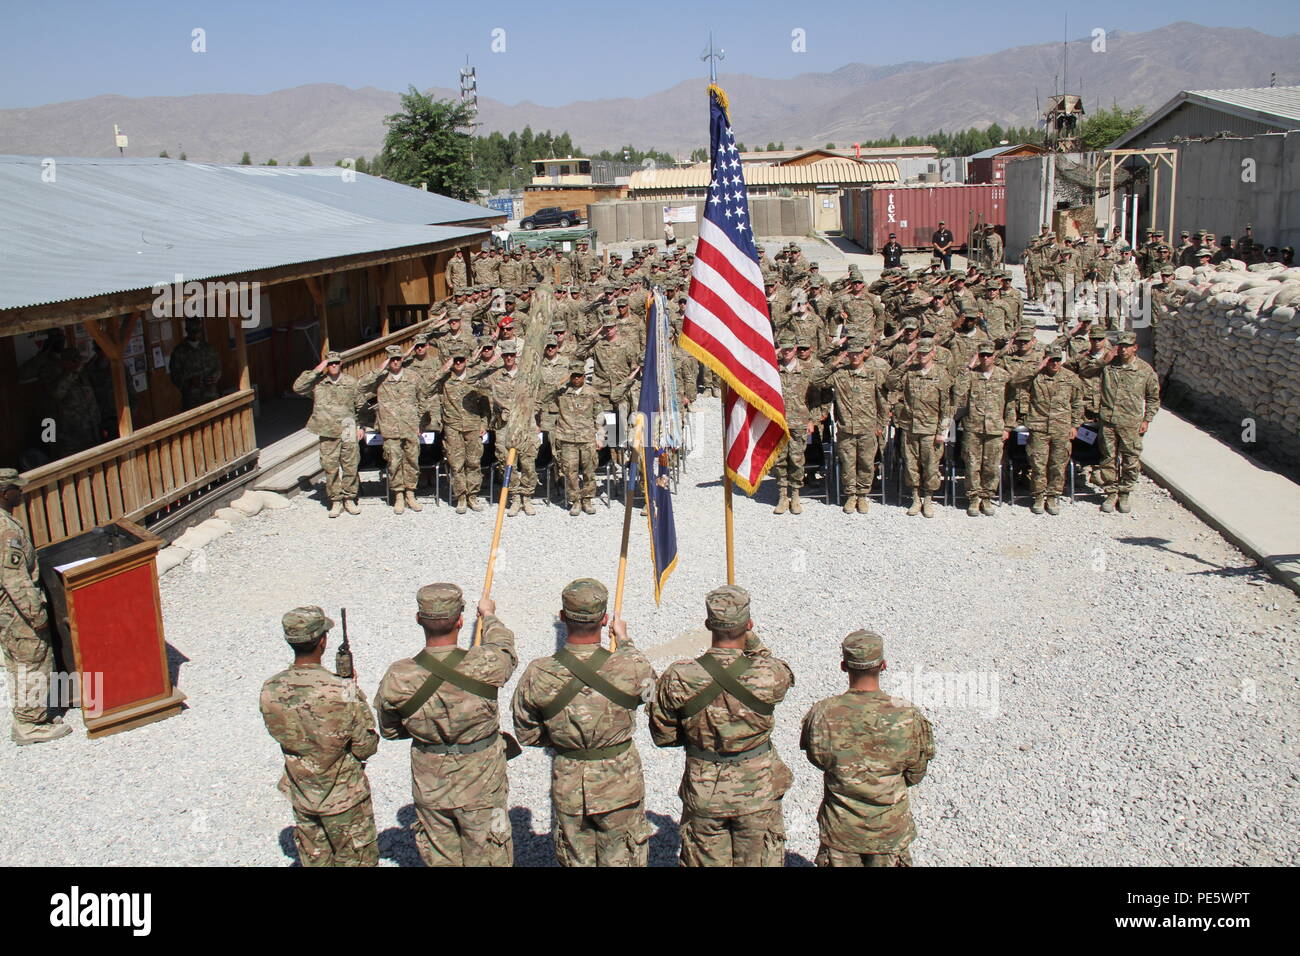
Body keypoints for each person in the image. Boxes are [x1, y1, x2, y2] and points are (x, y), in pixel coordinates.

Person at [512, 579, 656, 866]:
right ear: (604, 620)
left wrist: (563, 739)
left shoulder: (538, 673)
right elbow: (655, 698)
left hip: (569, 781)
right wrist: (626, 642)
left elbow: (526, 732)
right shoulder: (632, 666)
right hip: (620, 784)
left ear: (563, 617)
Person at [649, 585, 794, 867]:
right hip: (758, 790)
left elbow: (663, 736)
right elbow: (777, 667)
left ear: (708, 625)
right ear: (749, 624)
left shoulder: (679, 676)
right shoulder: (770, 673)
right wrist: (752, 641)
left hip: (704, 791)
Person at [375, 585, 518, 867]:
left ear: (419, 619)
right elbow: (505, 649)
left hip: (430, 782)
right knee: (490, 852)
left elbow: (390, 729)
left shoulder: (399, 674)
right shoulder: (485, 662)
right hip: (482, 780)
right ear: (460, 620)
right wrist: (489, 616)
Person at [800, 630, 934, 867]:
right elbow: (915, 773)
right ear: (883, 665)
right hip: (889, 832)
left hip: (841, 831)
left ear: (844, 666)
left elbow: (817, 758)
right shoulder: (906, 714)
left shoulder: (823, 712)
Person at [259, 606, 379, 866]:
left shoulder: (271, 688)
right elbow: (366, 745)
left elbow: (279, 731)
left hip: (303, 795)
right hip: (344, 799)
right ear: (322, 641)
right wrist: (350, 689)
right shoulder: (339, 689)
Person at [1, 468, 72, 746]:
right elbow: (14, 579)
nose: (22, 492)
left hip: (7, 611)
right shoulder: (6, 530)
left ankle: (34, 714)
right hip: (15, 611)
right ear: (6, 493)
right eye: (17, 489)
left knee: (19, 662)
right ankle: (29, 725)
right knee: (31, 661)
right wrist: (36, 614)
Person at [1077, 331, 1160, 513]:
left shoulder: (1144, 370)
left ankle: (1125, 493)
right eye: (1120, 346)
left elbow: (1153, 398)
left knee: (1130, 460)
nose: (1123, 350)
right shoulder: (1108, 366)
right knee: (1108, 459)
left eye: (1127, 346)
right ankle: (1111, 491)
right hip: (1108, 422)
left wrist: (1147, 419)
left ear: (1135, 348)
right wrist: (1103, 360)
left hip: (1131, 423)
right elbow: (1084, 372)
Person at [811, 339, 888, 514]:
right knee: (847, 464)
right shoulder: (840, 374)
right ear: (847, 354)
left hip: (868, 427)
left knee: (866, 463)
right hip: (846, 428)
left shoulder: (873, 373)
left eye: (858, 353)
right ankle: (851, 495)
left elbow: (881, 400)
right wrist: (835, 362)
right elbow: (816, 380)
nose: (855, 356)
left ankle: (862, 496)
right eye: (851, 353)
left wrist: (881, 424)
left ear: (864, 353)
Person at [1007, 346, 1085, 515]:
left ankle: (1053, 495)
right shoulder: (1036, 376)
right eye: (1051, 359)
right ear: (1045, 360)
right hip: (1039, 427)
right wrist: (1037, 367)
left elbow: (1078, 403)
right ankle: (1038, 496)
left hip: (1061, 428)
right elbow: (1014, 382)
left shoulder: (1070, 378)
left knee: (1058, 464)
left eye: (1057, 360)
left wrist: (1075, 425)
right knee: (1038, 464)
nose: (1054, 363)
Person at [359, 345, 430, 514]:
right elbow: (360, 387)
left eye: (398, 358)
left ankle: (411, 494)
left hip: (410, 428)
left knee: (412, 461)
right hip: (390, 430)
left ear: (402, 359)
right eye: (392, 359)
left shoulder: (413, 377)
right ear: (388, 361)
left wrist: (418, 421)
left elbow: (424, 399)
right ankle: (398, 495)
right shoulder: (380, 379)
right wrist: (378, 370)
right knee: (394, 462)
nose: (396, 362)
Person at [886, 340, 953, 517]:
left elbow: (947, 405)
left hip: (931, 429)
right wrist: (905, 363)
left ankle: (929, 499)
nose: (922, 356)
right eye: (920, 353)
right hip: (910, 427)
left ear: (933, 353)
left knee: (931, 466)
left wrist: (943, 431)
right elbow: (891, 382)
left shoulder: (941, 374)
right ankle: (916, 498)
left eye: (925, 353)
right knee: (911, 465)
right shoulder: (910, 372)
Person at [293, 351, 361, 517]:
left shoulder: (351, 382)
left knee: (350, 466)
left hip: (348, 428)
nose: (333, 366)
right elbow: (298, 387)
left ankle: (349, 498)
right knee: (330, 467)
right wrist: (318, 369)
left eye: (336, 363)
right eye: (330, 363)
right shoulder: (318, 383)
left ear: (341, 363)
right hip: (327, 430)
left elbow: (361, 405)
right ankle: (336, 501)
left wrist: (361, 427)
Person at [953, 343, 1012, 516]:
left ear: (994, 356)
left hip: (995, 428)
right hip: (973, 427)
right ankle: (973, 497)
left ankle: (986, 497)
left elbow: (1010, 403)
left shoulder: (1003, 376)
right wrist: (969, 366)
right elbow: (957, 391)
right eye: (982, 355)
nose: (985, 358)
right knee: (972, 464)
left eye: (988, 355)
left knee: (992, 466)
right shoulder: (971, 375)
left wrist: (1008, 426)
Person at [433, 347, 492, 514]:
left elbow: (485, 403)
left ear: (467, 361)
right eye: (455, 360)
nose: (458, 363)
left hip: (473, 426)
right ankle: (460, 497)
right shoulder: (444, 381)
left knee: (473, 463)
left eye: (461, 360)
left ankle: (472, 496)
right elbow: (425, 386)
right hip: (453, 427)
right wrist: (444, 368)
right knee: (456, 464)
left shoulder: (475, 380)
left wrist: (483, 424)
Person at [546, 361, 608, 516]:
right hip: (567, 438)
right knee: (570, 472)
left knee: (589, 471)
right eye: (573, 376)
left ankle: (587, 499)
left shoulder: (592, 393)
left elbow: (600, 416)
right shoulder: (561, 393)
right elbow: (546, 394)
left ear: (584, 376)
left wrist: (600, 438)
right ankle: (575, 500)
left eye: (579, 376)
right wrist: (561, 381)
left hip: (587, 438)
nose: (576, 379)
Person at [772, 336, 817, 515]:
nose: (787, 351)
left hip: (800, 422)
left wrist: (812, 419)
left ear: (796, 348)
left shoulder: (806, 370)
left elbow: (816, 397)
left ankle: (796, 495)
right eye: (784, 348)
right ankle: (783, 495)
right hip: (779, 422)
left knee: (797, 459)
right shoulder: (773, 369)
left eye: (790, 348)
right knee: (780, 459)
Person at [168, 317, 222, 410]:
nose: (196, 333)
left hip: (211, 396)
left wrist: (214, 378)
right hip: (192, 400)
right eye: (193, 330)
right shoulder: (179, 352)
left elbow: (218, 367)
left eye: (198, 330)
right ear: (187, 330)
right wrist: (190, 381)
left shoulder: (208, 348)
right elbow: (175, 376)